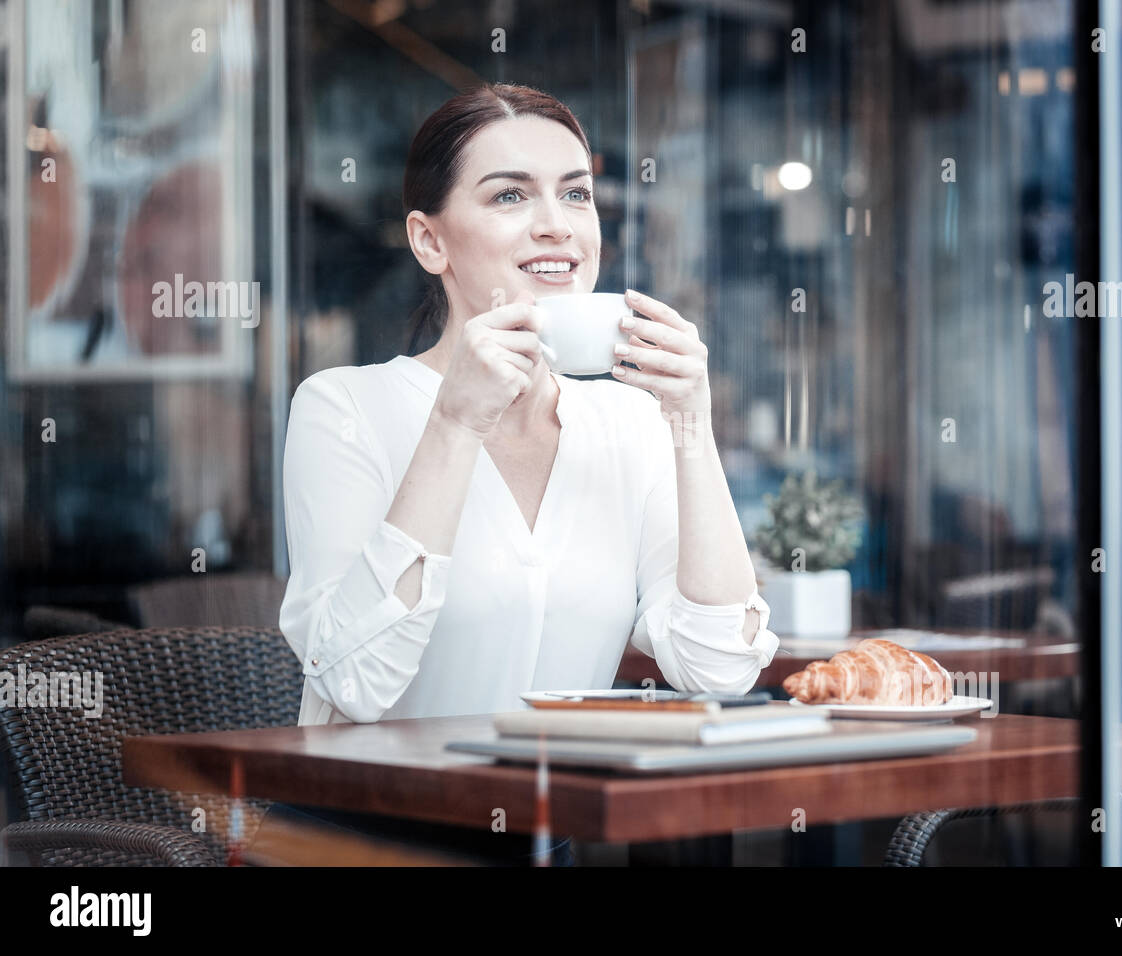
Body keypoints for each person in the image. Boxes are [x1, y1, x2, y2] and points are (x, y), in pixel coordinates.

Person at [254, 82, 779, 866]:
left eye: (576, 193)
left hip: (541, 844)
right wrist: (457, 422)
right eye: (510, 195)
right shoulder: (344, 408)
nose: (557, 226)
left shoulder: (627, 422)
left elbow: (719, 667)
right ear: (431, 243)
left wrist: (690, 425)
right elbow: (357, 682)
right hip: (352, 847)